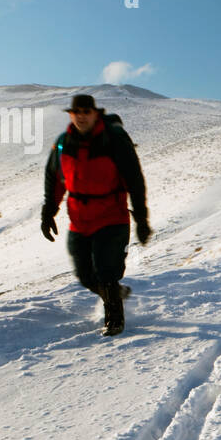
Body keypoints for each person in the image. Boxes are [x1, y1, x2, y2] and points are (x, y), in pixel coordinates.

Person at [40, 94, 152, 335]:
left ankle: (115, 320)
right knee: (84, 274)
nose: (81, 116)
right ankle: (115, 294)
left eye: (86, 111)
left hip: (111, 216)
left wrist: (142, 220)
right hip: (80, 219)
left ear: (95, 114)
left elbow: (134, 180)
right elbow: (55, 178)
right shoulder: (63, 143)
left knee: (105, 269)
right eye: (76, 111)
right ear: (71, 114)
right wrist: (48, 212)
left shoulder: (114, 140)